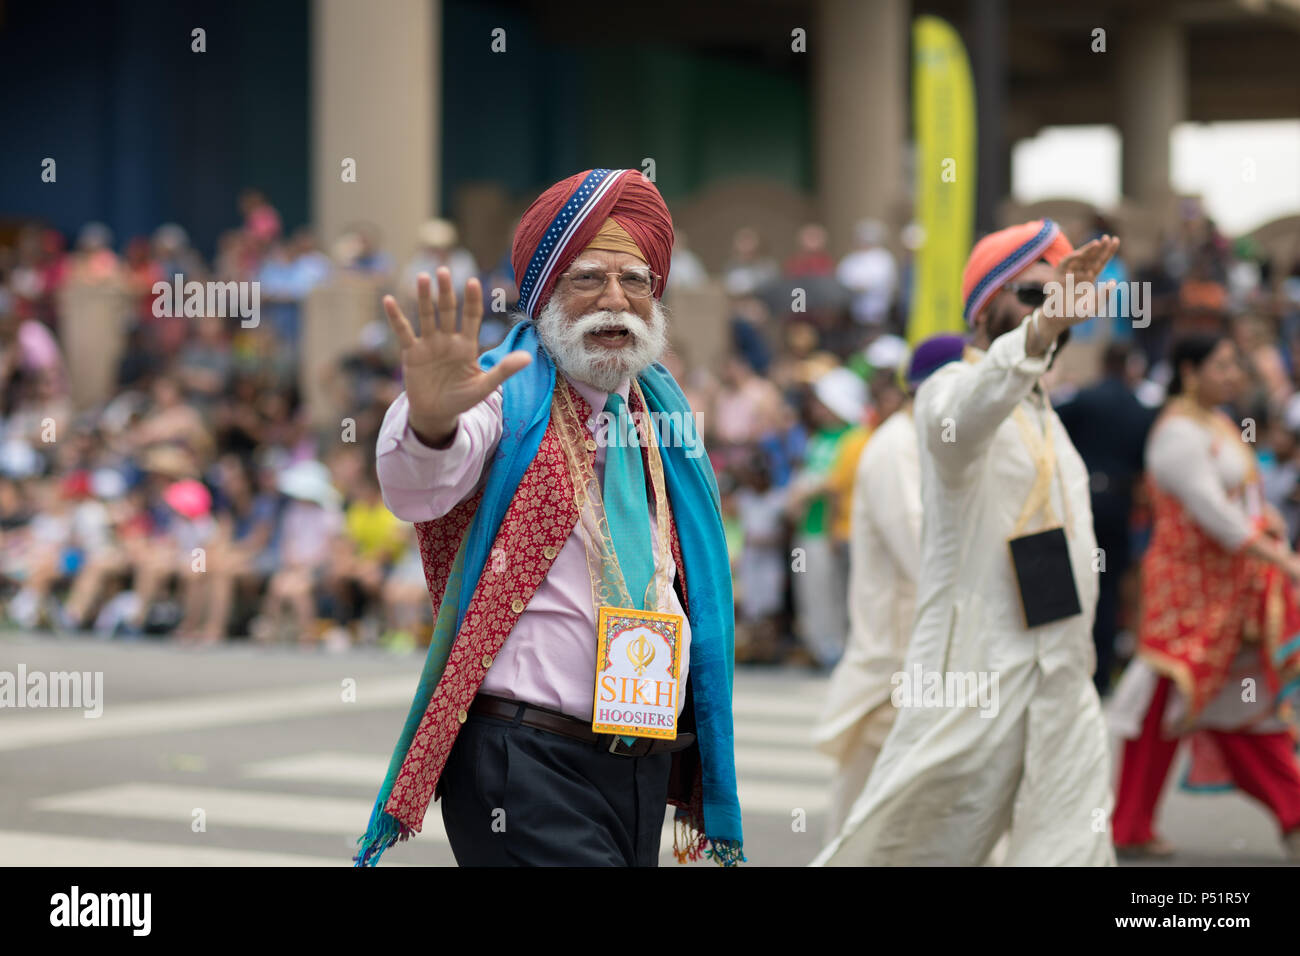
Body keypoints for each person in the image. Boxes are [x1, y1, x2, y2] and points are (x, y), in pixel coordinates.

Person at [356, 168, 743, 868]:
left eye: (636, 282)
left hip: (638, 763)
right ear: (544, 295)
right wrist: (432, 421)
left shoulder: (665, 420)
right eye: (589, 279)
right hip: (524, 759)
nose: (615, 301)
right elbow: (418, 489)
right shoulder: (501, 396)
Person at [813, 220, 1121, 866]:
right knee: (910, 851)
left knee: (1072, 852)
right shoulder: (948, 394)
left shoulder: (1047, 419)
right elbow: (970, 413)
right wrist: (1038, 332)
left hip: (1062, 681)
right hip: (974, 681)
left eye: (1062, 298)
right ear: (985, 306)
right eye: (1036, 295)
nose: (1053, 310)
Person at [1108, 333, 1300, 859]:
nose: (1234, 375)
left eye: (1235, 366)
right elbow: (1211, 511)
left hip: (1231, 588)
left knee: (1237, 699)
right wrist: (1279, 557)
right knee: (1171, 697)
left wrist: (1268, 520)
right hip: (1187, 593)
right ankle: (1130, 823)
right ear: (1190, 371)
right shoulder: (1176, 434)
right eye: (1221, 365)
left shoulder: (1217, 423)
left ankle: (1292, 811)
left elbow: (1243, 495)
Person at [811, 334, 965, 841]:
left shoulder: (930, 442)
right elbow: (922, 555)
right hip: (894, 662)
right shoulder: (897, 446)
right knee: (865, 822)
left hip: (923, 660)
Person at [1056, 342, 1156, 694]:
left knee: (1074, 583)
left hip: (1080, 502)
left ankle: (1071, 668)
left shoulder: (1083, 400)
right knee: (1108, 588)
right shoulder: (1140, 410)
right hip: (1118, 506)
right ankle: (1099, 675)